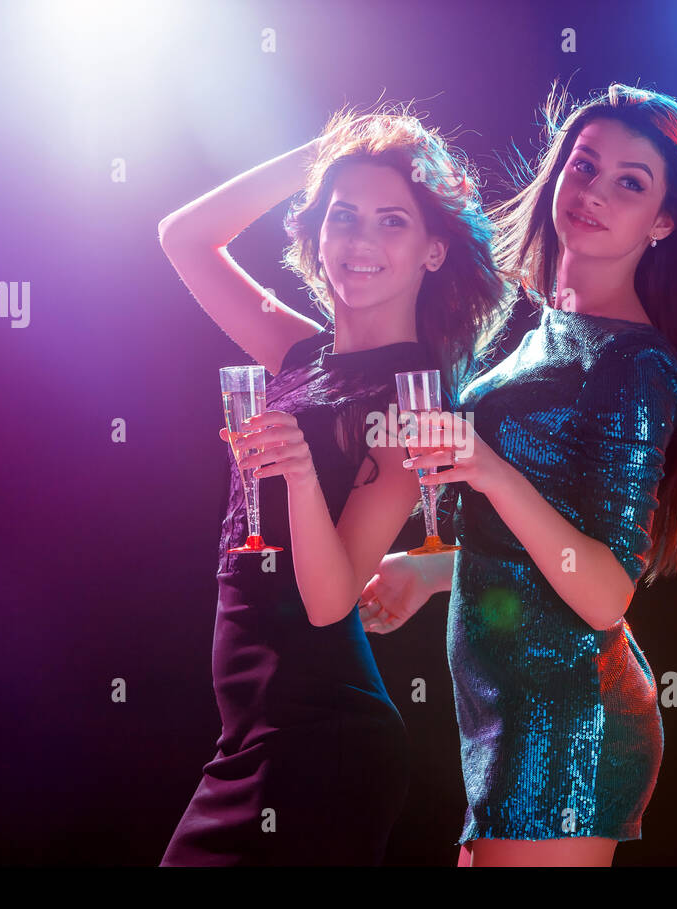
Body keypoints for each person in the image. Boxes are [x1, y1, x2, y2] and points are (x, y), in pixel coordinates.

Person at [358, 82, 677, 866]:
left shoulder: (637, 365)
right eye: (584, 165)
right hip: (506, 715)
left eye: (630, 182)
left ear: (663, 222)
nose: (593, 191)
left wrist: (490, 471)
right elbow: (542, 552)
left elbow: (602, 592)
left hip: (570, 725)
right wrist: (430, 573)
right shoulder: (538, 333)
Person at [155, 105, 509, 865]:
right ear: (316, 233)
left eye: (391, 222)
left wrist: (302, 474)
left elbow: (328, 599)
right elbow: (183, 237)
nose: (359, 241)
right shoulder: (298, 353)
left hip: (320, 744)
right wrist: (324, 153)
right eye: (342, 216)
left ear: (434, 250)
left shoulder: (412, 402)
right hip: (247, 736)